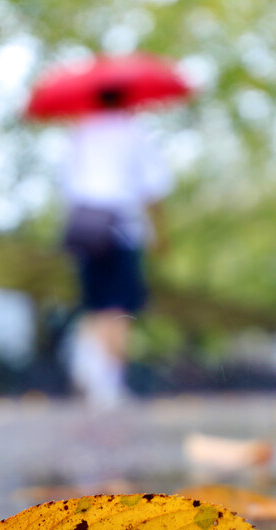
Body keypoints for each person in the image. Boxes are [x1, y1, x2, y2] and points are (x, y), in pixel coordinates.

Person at [59, 87, 172, 407]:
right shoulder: (134, 133)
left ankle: (93, 370)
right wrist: (161, 234)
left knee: (95, 304)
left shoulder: (80, 133)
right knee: (118, 307)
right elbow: (153, 188)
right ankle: (109, 382)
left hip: (85, 228)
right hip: (121, 228)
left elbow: (67, 185)